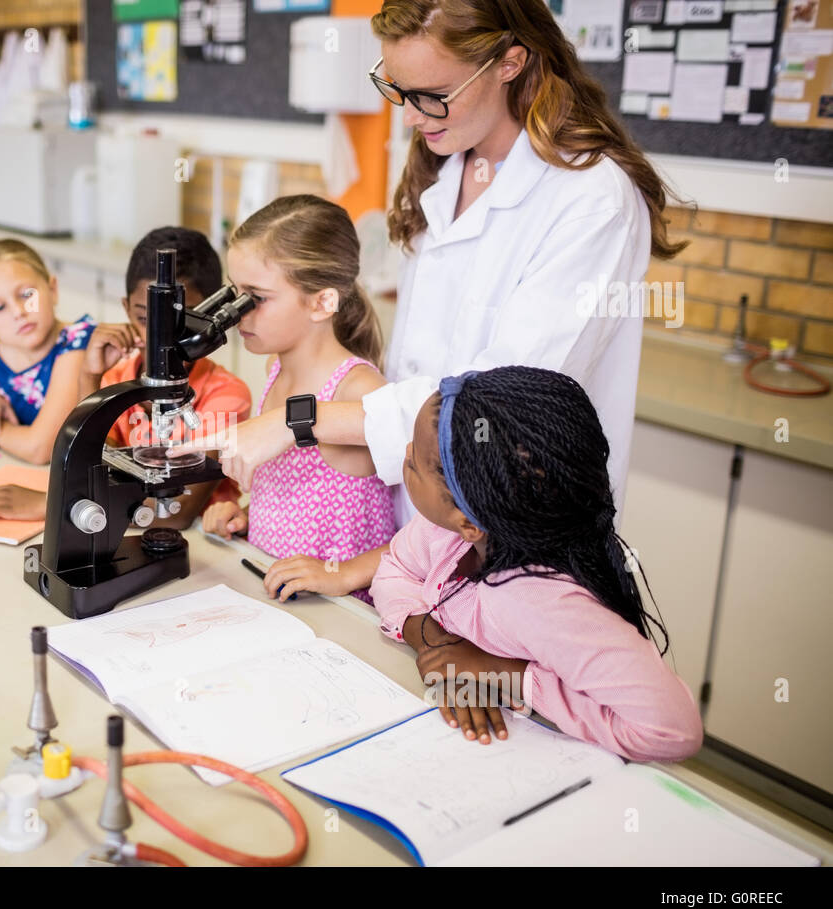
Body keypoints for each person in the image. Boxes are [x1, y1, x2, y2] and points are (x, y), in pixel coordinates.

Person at [175, 0, 686, 600]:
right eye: (399, 88)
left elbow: (496, 406)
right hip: (411, 534)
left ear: (510, 62)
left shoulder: (591, 199)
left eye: (433, 93)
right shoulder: (444, 170)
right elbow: (419, 376)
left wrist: (297, 422)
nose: (414, 116)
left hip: (514, 539)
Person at [370, 365, 702, 762]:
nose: (405, 454)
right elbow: (395, 569)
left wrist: (503, 672)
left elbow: (672, 731)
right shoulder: (446, 533)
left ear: (468, 521)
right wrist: (436, 642)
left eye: (414, 465)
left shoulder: (541, 601)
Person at [0, 227, 252, 529]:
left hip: (205, 541)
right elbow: (91, 466)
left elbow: (180, 513)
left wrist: (52, 505)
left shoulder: (227, 395)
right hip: (125, 525)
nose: (159, 337)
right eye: (145, 319)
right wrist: (91, 375)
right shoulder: (116, 376)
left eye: (177, 322)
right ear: (126, 308)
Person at [200, 195, 396, 602]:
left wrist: (340, 572)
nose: (239, 314)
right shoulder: (276, 370)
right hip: (278, 594)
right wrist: (248, 518)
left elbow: (436, 538)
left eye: (258, 297)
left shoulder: (358, 390)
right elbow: (300, 501)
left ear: (323, 301)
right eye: (236, 293)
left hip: (340, 611)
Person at [0, 239, 93, 465]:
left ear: (52, 290)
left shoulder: (76, 344)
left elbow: (40, 449)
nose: (18, 312)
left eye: (26, 294)